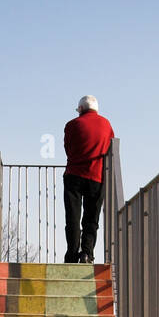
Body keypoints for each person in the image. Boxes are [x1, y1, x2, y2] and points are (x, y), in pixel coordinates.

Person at [62, 95, 114, 263]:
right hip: (97, 176)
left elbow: (68, 149)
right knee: (91, 218)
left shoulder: (71, 125)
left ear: (81, 109)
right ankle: (87, 253)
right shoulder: (106, 124)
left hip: (74, 176)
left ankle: (71, 254)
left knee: (73, 217)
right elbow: (109, 147)